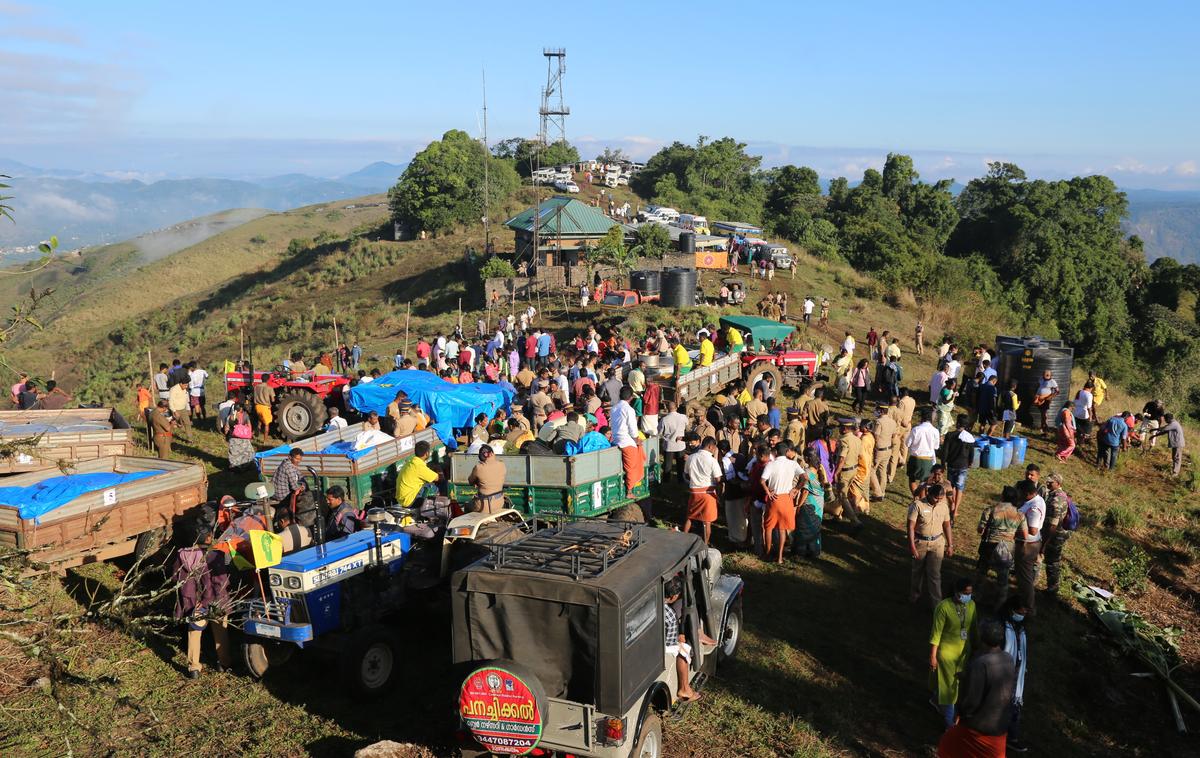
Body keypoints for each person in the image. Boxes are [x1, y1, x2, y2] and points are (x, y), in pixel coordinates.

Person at [937, 619, 1015, 757]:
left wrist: (960, 713)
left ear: (981, 638)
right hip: (1000, 727)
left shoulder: (980, 664)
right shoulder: (1008, 658)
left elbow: (971, 701)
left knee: (947, 747)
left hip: (978, 730)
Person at [172, 524, 233, 679]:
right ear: (208, 538)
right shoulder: (215, 556)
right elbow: (220, 582)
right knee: (220, 630)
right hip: (214, 600)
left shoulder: (182, 554)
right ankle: (224, 663)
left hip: (193, 601)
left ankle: (194, 668)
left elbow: (175, 577)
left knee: (194, 631)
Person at [929, 577, 978, 730]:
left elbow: (974, 628)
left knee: (956, 685)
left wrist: (977, 647)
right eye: (965, 593)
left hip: (963, 653)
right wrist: (933, 655)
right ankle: (949, 723)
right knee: (950, 689)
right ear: (956, 592)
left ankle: (936, 699)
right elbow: (936, 633)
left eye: (970, 593)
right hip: (947, 654)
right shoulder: (943, 607)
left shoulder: (971, 605)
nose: (968, 596)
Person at [908, 483, 953, 609]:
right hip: (920, 543)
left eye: (940, 499)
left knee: (934, 574)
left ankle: (937, 605)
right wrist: (912, 546)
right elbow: (910, 527)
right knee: (917, 571)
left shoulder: (943, 506)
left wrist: (950, 545)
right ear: (929, 494)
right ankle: (914, 596)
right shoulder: (917, 505)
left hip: (937, 543)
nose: (938, 501)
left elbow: (947, 525)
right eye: (936, 498)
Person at [999, 597, 1031, 753]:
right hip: (1004, 671)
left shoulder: (1021, 628)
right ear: (1011, 610)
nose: (1022, 615)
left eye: (1024, 613)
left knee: (1014, 706)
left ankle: (1011, 737)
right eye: (1020, 612)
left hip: (1017, 672)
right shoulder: (1002, 626)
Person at [761, 441, 802, 564]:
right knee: (782, 529)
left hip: (774, 499)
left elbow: (762, 480)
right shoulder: (793, 464)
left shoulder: (771, 465)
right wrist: (796, 489)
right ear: (787, 452)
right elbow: (805, 477)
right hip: (787, 498)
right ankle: (779, 557)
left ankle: (768, 554)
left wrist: (768, 492)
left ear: (775, 452)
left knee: (768, 527)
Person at [664, 577, 701, 703]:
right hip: (663, 645)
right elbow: (670, 643)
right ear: (674, 596)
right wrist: (679, 639)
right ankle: (684, 688)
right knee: (685, 650)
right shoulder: (670, 615)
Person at [684, 436, 722, 545]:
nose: (714, 450)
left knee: (690, 517)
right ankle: (705, 544)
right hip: (708, 493)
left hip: (694, 492)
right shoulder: (712, 461)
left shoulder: (691, 457)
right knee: (707, 522)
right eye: (714, 448)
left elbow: (686, 474)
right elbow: (718, 479)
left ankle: (683, 537)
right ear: (710, 446)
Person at [1013, 480, 1044, 613]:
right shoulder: (1035, 500)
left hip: (1028, 545)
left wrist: (1012, 530)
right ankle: (1022, 601)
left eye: (1019, 492)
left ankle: (1028, 607)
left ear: (1027, 493)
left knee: (1025, 578)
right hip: (1028, 543)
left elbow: (1033, 530)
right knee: (1022, 575)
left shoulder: (1034, 508)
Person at [793, 449, 825, 559]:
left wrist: (799, 506)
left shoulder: (806, 472)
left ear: (807, 458)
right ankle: (814, 550)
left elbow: (805, 491)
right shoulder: (820, 469)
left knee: (804, 526)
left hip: (809, 503)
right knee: (815, 526)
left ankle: (802, 550)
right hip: (819, 503)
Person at [943, 415, 975, 522]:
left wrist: (943, 463)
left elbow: (945, 451)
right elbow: (971, 452)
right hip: (963, 466)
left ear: (957, 423)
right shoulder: (969, 437)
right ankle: (955, 510)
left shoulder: (950, 435)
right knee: (959, 488)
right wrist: (970, 462)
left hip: (951, 465)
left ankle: (951, 504)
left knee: (951, 486)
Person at [906, 409, 941, 495]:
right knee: (924, 482)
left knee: (912, 479)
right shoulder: (935, 431)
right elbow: (936, 446)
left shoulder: (916, 429)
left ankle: (915, 497)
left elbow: (907, 443)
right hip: (927, 460)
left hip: (915, 458)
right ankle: (921, 498)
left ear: (922, 417)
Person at [396, 440, 440, 507]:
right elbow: (436, 478)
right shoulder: (418, 466)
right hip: (409, 501)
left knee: (426, 484)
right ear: (427, 453)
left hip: (402, 499)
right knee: (433, 487)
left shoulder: (411, 461)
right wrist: (438, 469)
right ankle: (437, 508)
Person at [467, 446, 506, 514]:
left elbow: (470, 481)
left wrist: (477, 483)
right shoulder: (502, 464)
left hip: (483, 506)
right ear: (492, 454)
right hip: (499, 503)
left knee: (467, 505)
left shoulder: (478, 467)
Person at [1149, 413, 1187, 477]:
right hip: (1175, 443)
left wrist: (1154, 429)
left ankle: (1175, 473)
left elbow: (1164, 429)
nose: (1165, 421)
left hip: (1178, 443)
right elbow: (1164, 432)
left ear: (1169, 419)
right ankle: (1174, 470)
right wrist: (1154, 436)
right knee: (1174, 457)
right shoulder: (1172, 424)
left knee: (1177, 458)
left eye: (1165, 419)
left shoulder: (1174, 424)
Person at [660, 402, 688, 483]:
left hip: (669, 445)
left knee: (667, 465)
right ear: (676, 408)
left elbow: (659, 431)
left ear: (667, 409)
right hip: (680, 444)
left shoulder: (664, 419)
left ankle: (666, 481)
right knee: (680, 464)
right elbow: (687, 424)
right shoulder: (683, 417)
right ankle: (681, 480)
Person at [223, 402, 255, 470]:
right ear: (241, 409)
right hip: (244, 438)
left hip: (233, 438)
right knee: (246, 452)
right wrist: (250, 434)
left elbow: (226, 428)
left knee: (234, 453)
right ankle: (245, 466)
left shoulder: (230, 417)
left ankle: (234, 466)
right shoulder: (245, 415)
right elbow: (249, 426)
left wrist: (226, 435)